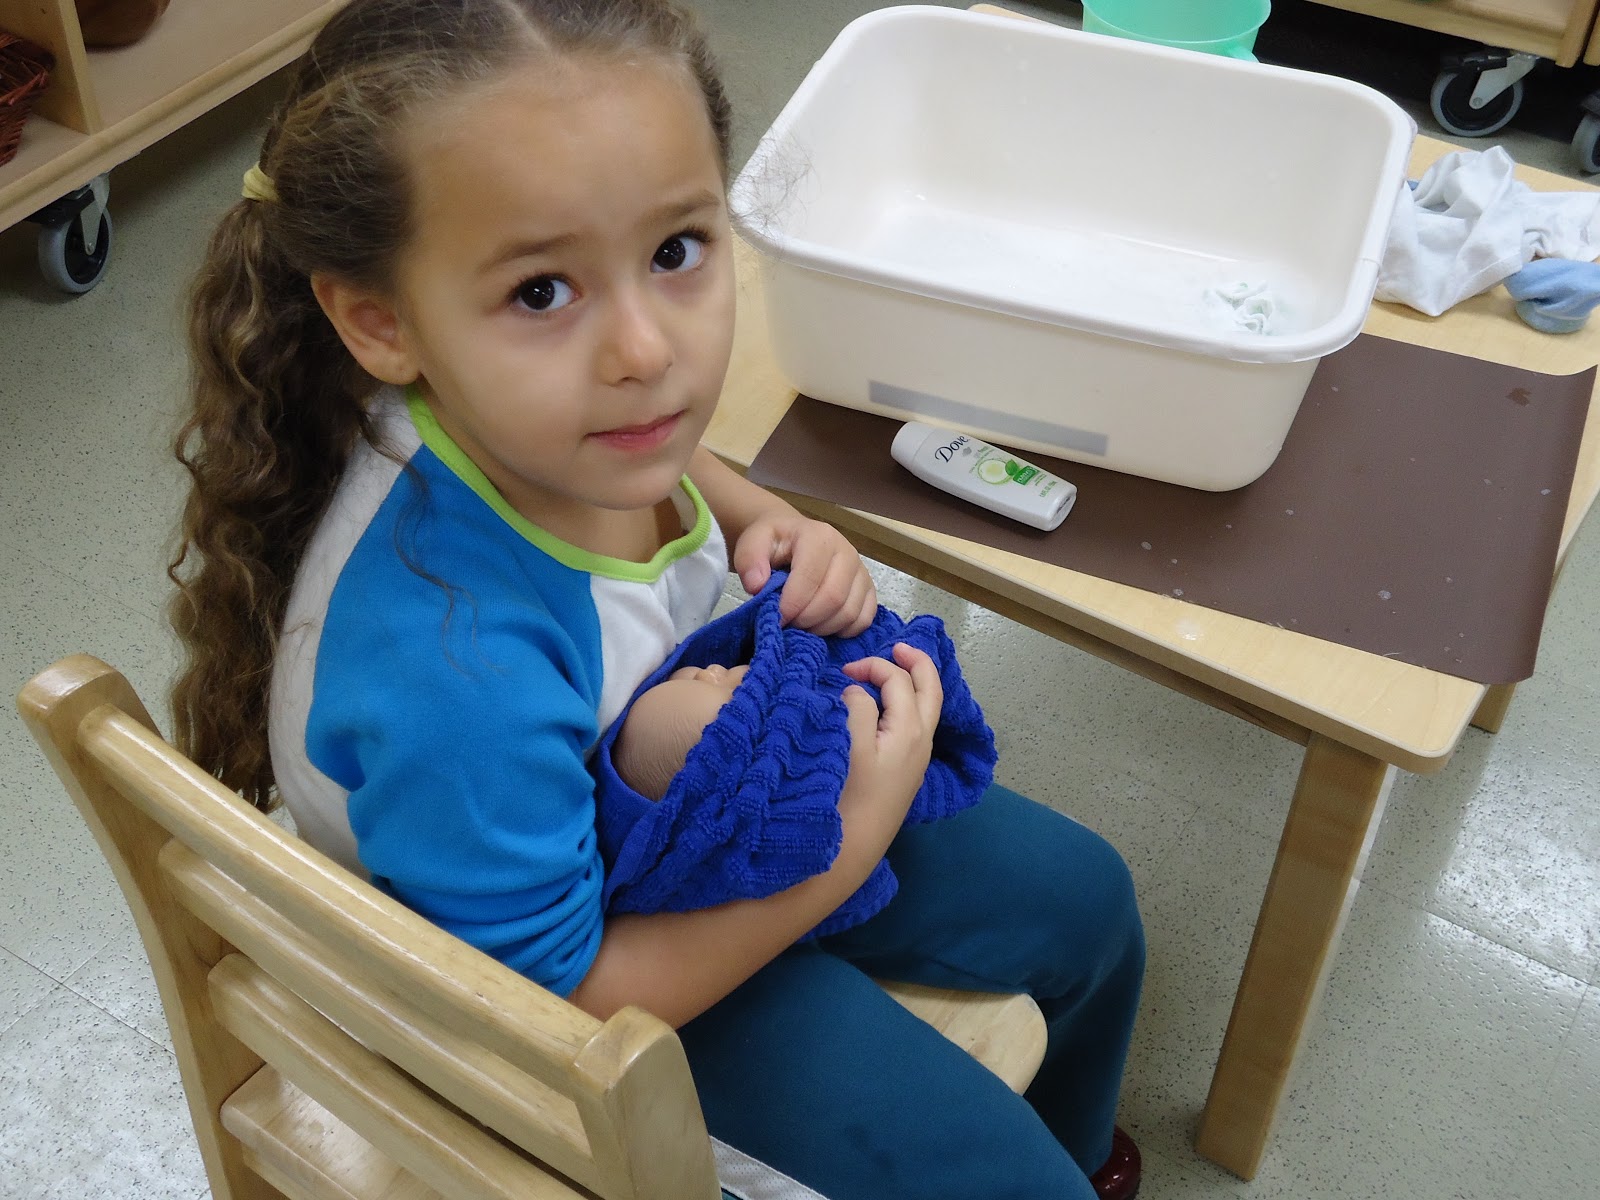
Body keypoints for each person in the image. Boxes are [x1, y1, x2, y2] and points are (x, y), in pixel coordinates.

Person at [165, 3, 1145, 1198]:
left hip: (680, 813)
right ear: (380, 322)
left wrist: (754, 516)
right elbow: (557, 1008)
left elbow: (664, 457)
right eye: (541, 292)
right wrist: (845, 854)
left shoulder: (560, 425)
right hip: (590, 977)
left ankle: (1088, 1156)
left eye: (676, 251)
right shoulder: (453, 668)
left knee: (1090, 903)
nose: (646, 351)